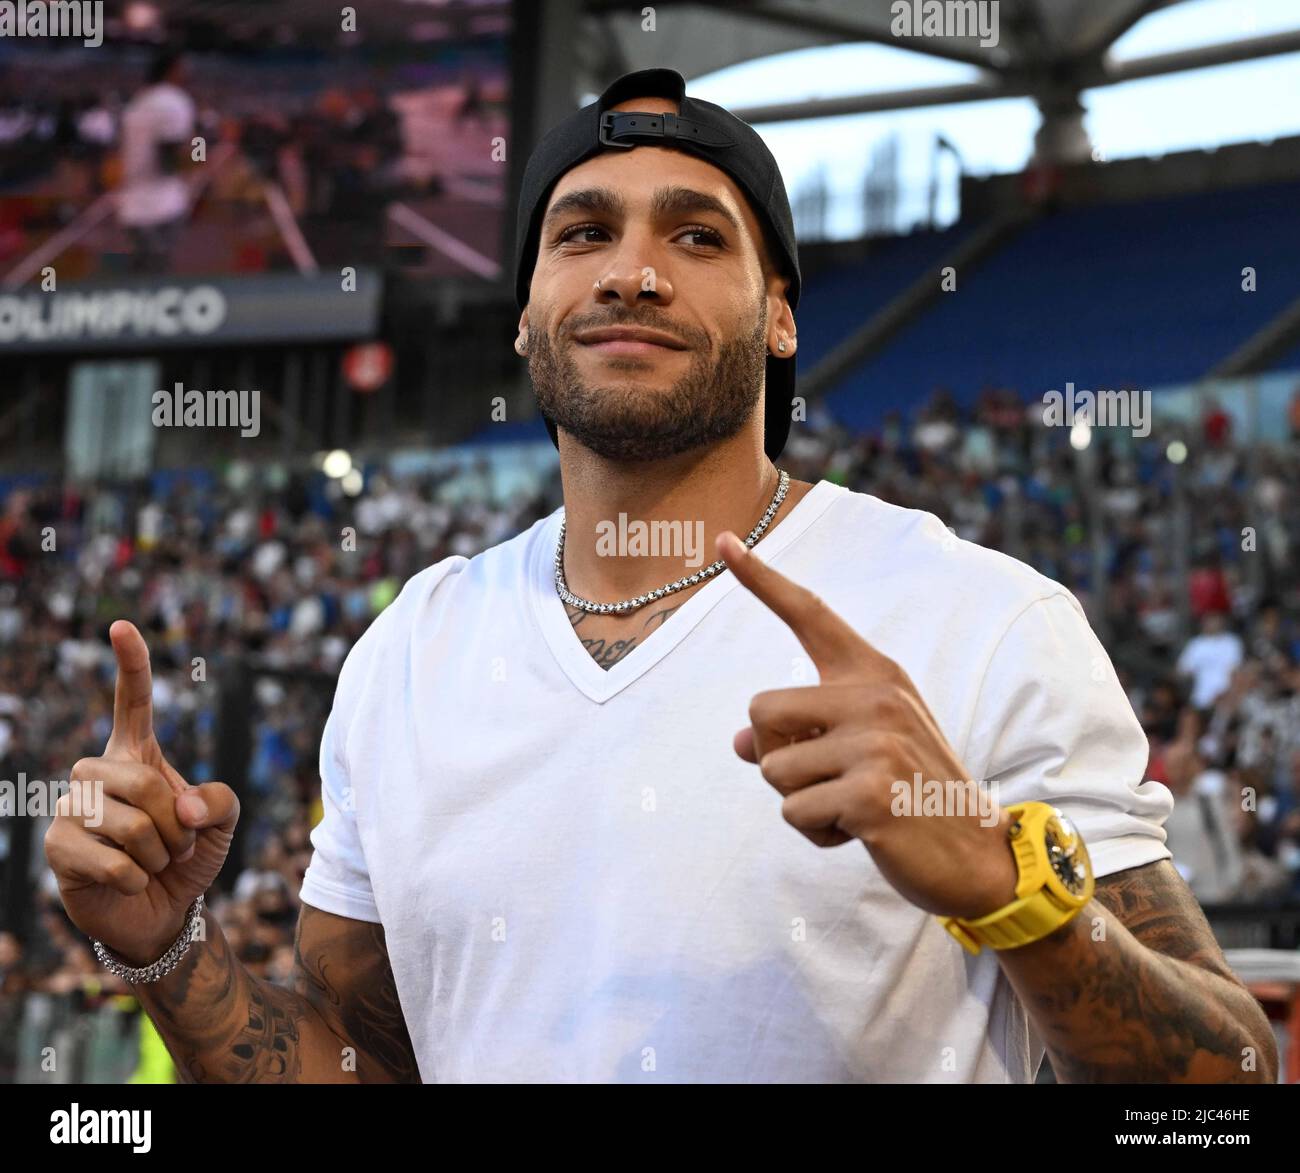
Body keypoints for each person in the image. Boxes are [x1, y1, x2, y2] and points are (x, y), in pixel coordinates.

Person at [45, 69, 1277, 1084]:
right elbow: (357, 1074)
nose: (632, 271)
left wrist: (1009, 887)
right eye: (583, 234)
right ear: (527, 314)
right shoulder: (411, 650)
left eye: (697, 235)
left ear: (781, 317)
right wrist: (167, 949)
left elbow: (1226, 1080)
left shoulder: (982, 619)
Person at [116, 49, 194, 274]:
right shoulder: (173, 100)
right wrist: (199, 159)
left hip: (131, 203)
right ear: (173, 69)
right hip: (162, 204)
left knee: (141, 272)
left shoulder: (138, 101)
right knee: (158, 274)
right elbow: (169, 159)